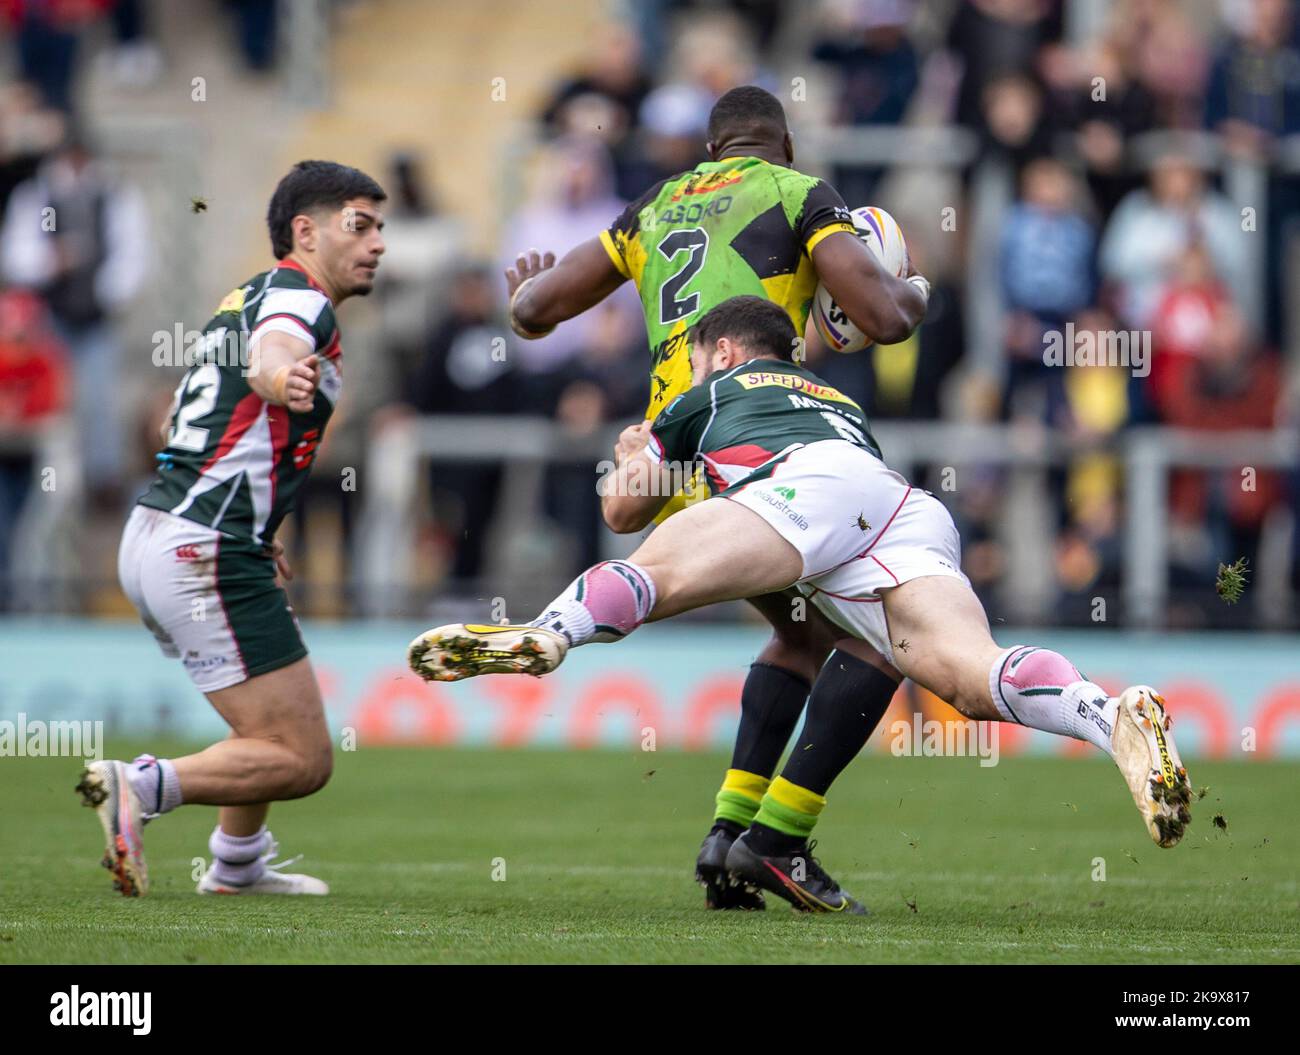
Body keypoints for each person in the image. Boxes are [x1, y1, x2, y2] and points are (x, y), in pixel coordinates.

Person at [409, 296, 1192, 915]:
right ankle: (1106, 712)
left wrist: (628, 457)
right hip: (897, 503)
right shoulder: (834, 394)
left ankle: (550, 632)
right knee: (961, 670)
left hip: (798, 489)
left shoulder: (707, 390)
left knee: (655, 571)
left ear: (720, 350)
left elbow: (624, 506)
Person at [489, 84, 928, 909]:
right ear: (784, 144)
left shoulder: (652, 205)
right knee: (879, 643)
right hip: (756, 451)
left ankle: (728, 837)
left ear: (710, 146)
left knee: (798, 639)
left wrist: (524, 295)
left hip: (672, 448)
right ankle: (776, 841)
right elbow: (884, 317)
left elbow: (538, 308)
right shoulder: (799, 194)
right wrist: (915, 292)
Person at [77, 161, 387, 897]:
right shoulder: (297, 296)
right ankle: (142, 786)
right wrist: (283, 376)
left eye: (381, 228)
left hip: (177, 528)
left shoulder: (248, 292)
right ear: (306, 232)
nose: (378, 243)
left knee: (271, 727)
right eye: (361, 224)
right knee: (303, 756)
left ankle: (237, 864)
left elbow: (227, 422)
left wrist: (260, 523)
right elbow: (269, 358)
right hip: (201, 545)